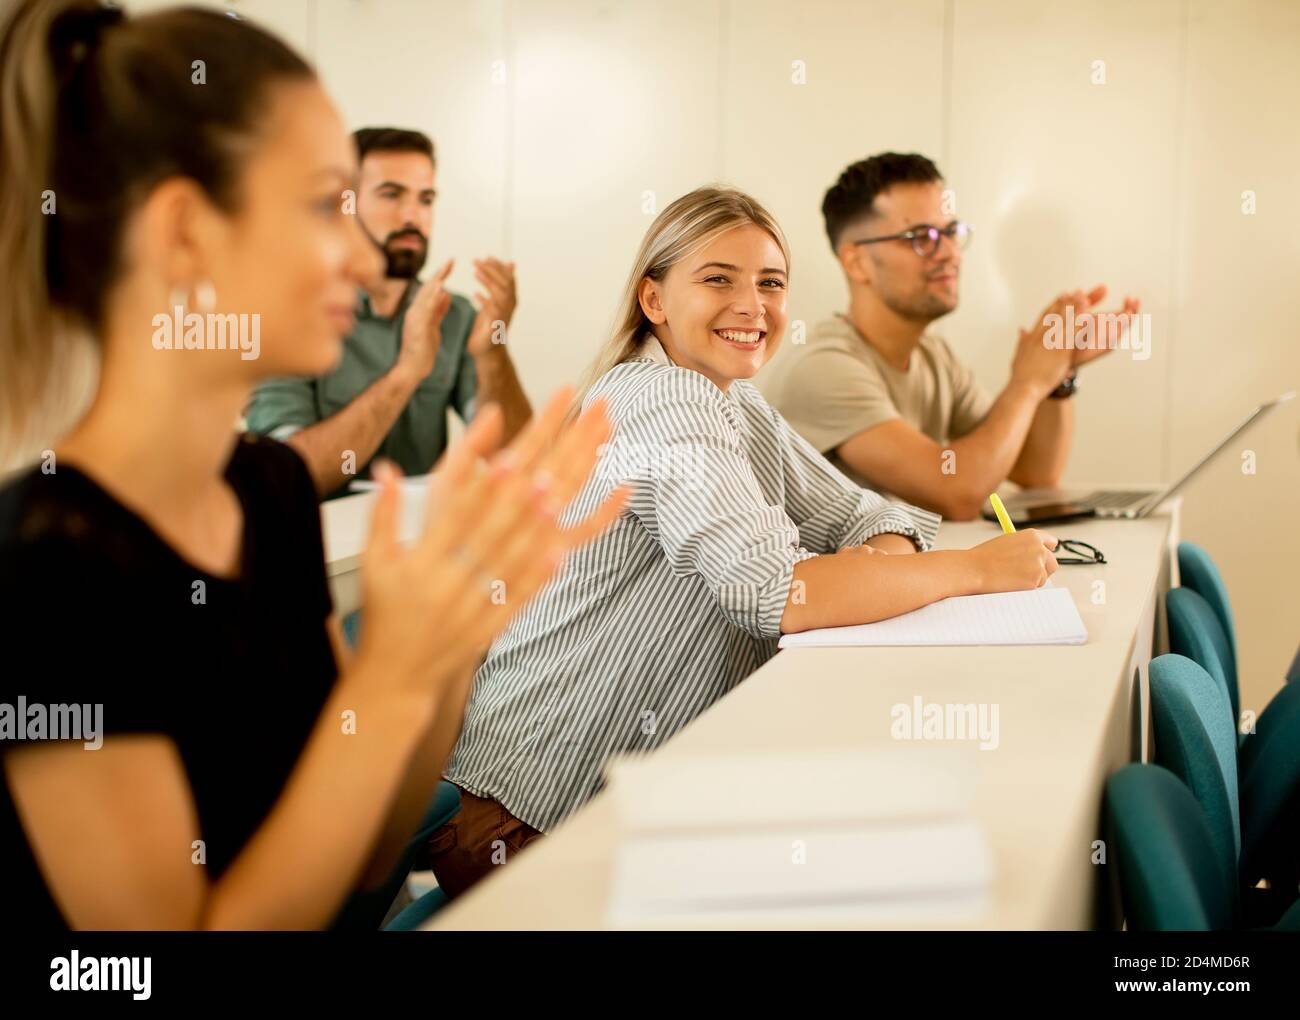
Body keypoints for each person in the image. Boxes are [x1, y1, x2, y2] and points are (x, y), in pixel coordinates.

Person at [0, 0, 623, 930]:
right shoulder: (46, 565)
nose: (363, 247)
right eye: (324, 205)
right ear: (185, 234)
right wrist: (390, 676)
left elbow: (367, 852)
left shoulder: (270, 489)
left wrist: (444, 642)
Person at [426, 185, 1060, 898]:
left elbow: (870, 518)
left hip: (618, 799)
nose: (752, 305)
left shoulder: (729, 394)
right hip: (529, 825)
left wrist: (852, 571)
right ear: (654, 301)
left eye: (771, 283)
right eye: (717, 279)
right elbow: (777, 592)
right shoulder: (662, 398)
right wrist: (971, 572)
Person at [760, 152, 1141, 520]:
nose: (949, 254)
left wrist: (1059, 374)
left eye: (951, 232)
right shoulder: (823, 369)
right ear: (856, 262)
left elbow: (1034, 472)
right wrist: (1027, 383)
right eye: (920, 236)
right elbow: (958, 492)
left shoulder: (933, 354)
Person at [245, 126, 532, 499]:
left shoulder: (455, 314)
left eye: (426, 199)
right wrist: (406, 373)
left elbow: (517, 456)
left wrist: (491, 352)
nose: (412, 215)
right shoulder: (288, 317)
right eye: (391, 195)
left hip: (422, 546)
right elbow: (284, 474)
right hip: (320, 552)